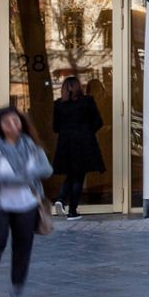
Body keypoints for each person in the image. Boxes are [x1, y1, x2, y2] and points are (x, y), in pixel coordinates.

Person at [0, 106, 52, 297]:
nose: (13, 126)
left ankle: (17, 288)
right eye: (7, 122)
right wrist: (16, 179)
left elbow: (46, 169)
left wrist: (29, 175)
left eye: (16, 121)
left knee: (23, 246)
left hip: (27, 204)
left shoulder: (31, 146)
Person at [50, 76, 105, 217]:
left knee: (71, 174)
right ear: (78, 87)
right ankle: (72, 211)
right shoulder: (87, 101)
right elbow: (98, 121)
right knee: (78, 176)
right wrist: (87, 131)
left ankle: (61, 199)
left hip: (65, 144)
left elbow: (55, 127)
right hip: (84, 143)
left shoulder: (59, 104)